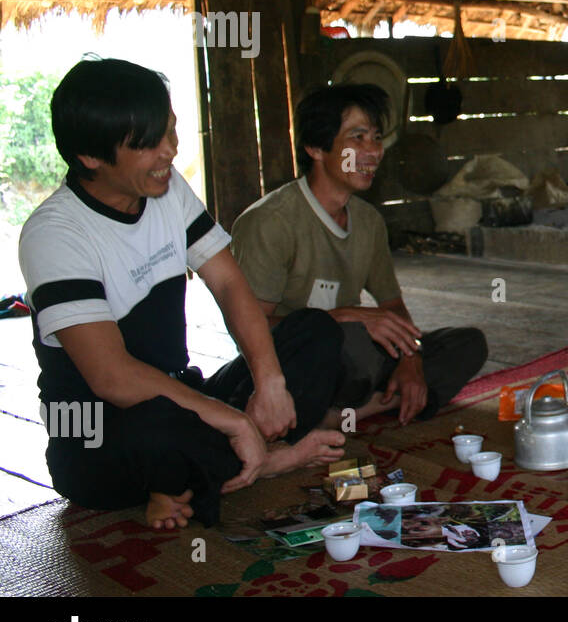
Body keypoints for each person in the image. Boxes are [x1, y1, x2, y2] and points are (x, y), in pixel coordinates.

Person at [19, 59, 345, 530]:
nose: (170, 151)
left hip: (180, 394)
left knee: (315, 332)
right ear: (91, 156)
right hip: (100, 433)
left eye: (171, 132)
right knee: (161, 430)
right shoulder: (54, 234)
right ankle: (265, 460)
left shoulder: (165, 191)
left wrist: (268, 382)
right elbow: (113, 379)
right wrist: (234, 422)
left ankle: (198, 472)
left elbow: (229, 282)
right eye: (149, 144)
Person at [230, 83, 487, 427]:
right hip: (295, 364)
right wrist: (348, 317)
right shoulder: (269, 222)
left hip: (355, 361)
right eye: (358, 138)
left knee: (467, 343)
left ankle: (360, 407)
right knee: (353, 343)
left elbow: (392, 306)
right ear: (316, 148)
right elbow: (250, 329)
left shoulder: (368, 222)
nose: (374, 151)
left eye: (377, 138)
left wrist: (410, 361)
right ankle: (375, 403)